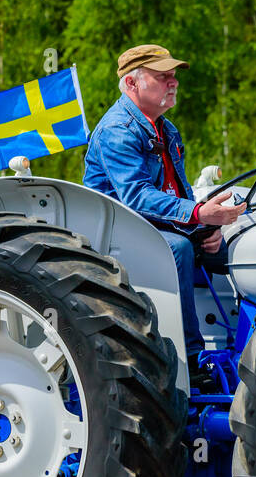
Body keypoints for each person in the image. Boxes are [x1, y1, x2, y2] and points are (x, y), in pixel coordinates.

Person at [83, 44, 241, 384]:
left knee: (229, 250)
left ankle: (245, 344)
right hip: (116, 235)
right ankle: (191, 360)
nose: (173, 83)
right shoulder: (117, 130)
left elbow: (178, 191)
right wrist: (198, 215)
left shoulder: (166, 129)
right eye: (162, 77)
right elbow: (136, 196)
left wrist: (202, 228)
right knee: (177, 249)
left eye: (173, 76)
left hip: (150, 226)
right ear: (131, 84)